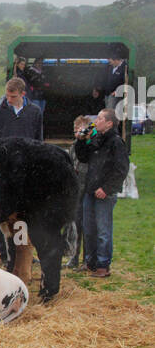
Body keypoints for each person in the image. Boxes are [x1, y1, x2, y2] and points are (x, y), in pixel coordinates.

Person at [72, 108, 130, 277]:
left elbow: (121, 169)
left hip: (104, 192)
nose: (95, 121)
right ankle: (90, 263)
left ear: (109, 123)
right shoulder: (97, 139)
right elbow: (83, 157)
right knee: (89, 229)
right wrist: (82, 141)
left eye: (99, 119)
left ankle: (103, 265)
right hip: (91, 190)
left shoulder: (116, 142)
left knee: (103, 230)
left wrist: (106, 189)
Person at [66, 115, 92, 269]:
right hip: (76, 191)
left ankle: (87, 260)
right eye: (75, 129)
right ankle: (74, 258)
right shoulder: (74, 145)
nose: (76, 132)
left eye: (79, 129)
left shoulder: (90, 145)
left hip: (87, 189)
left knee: (87, 226)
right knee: (75, 225)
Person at [0, 77, 45, 142]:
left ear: (23, 94)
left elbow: (38, 140)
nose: (9, 100)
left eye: (13, 96)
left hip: (27, 151)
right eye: (7, 95)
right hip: (5, 151)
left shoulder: (35, 111)